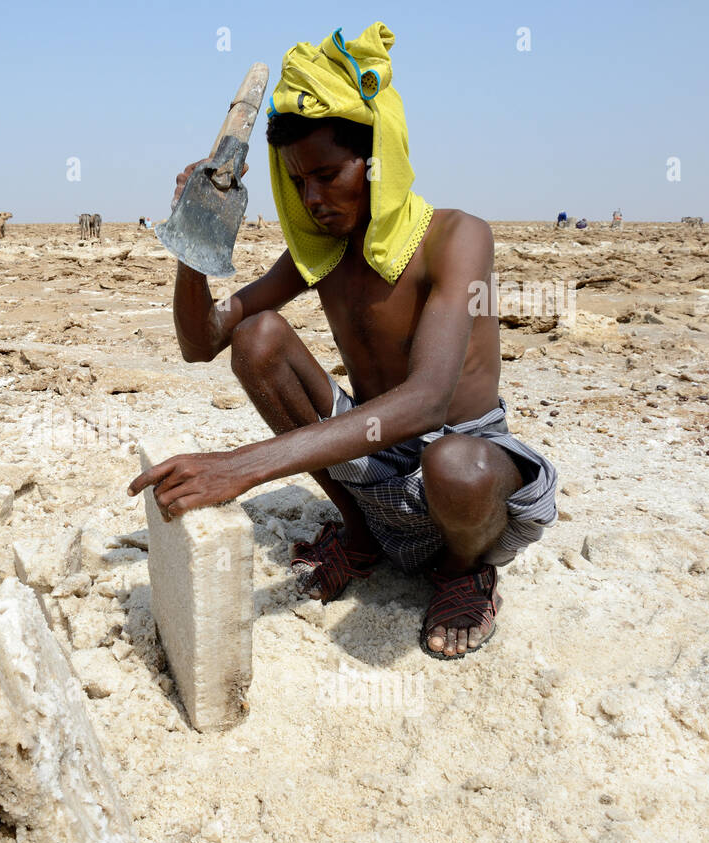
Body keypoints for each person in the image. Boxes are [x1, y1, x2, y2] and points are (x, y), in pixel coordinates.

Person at [129, 23, 557, 659]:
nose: (313, 199)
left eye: (328, 174)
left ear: (376, 160)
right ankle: (359, 534)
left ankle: (465, 571)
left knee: (454, 465)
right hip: (377, 452)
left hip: (465, 461)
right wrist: (196, 235)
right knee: (259, 337)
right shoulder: (322, 252)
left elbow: (428, 402)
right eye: (299, 181)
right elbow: (205, 341)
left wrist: (240, 467)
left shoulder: (456, 236)